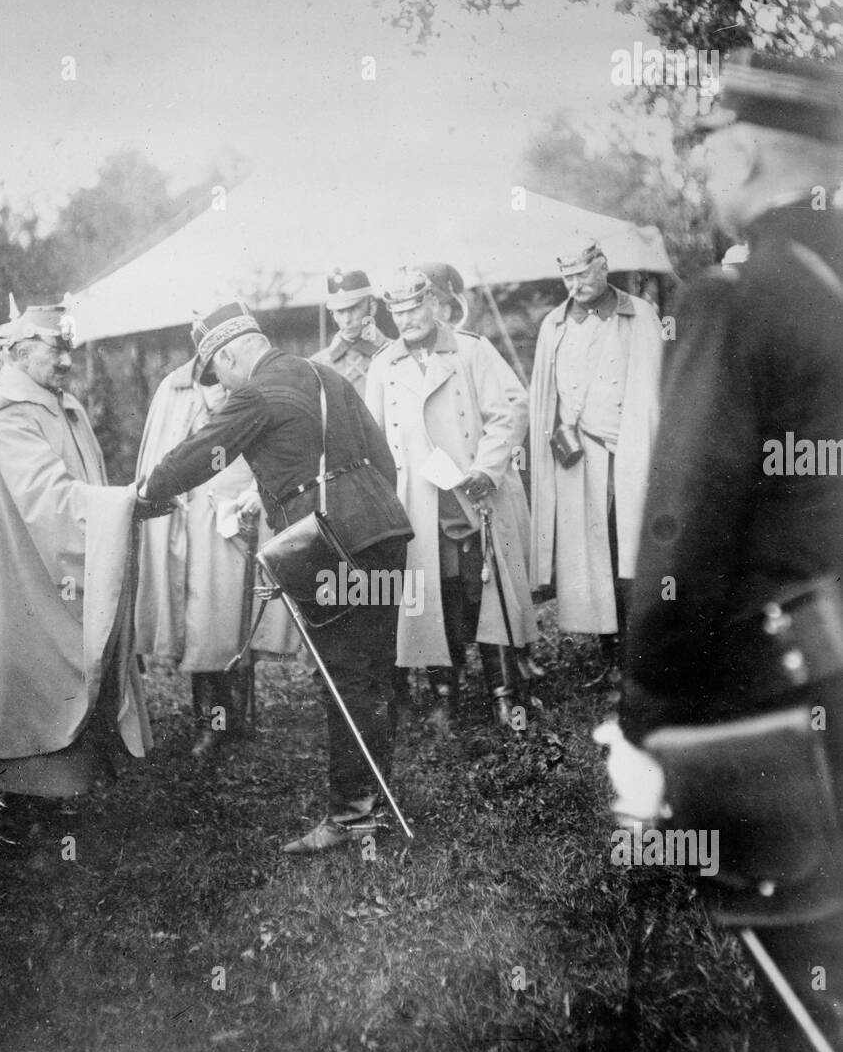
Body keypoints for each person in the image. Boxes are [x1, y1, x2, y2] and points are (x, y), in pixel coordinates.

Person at [610, 49, 843, 1052]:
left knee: (812, 993)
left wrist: (649, 713)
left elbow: (682, 528)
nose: (699, 181)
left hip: (787, 699)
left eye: (704, 157)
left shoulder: (739, 299)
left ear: (744, 150)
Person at [140, 301, 413, 854]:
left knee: (343, 675)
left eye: (217, 369)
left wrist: (150, 491)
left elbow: (200, 454)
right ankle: (369, 803)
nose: (218, 381)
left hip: (333, 542)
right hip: (383, 532)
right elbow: (382, 457)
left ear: (232, 351)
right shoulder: (324, 373)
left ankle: (354, 818)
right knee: (372, 673)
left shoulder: (256, 391)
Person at [0, 303, 164, 818]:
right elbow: (51, 501)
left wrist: (118, 506)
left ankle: (63, 789)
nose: (67, 361)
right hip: (22, 577)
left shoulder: (60, 406)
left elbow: (79, 492)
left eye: (70, 348)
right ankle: (21, 804)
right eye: (56, 349)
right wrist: (127, 504)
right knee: (29, 680)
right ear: (20, 353)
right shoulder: (6, 419)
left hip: (56, 570)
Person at [364, 267, 537, 730]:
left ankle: (505, 693)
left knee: (489, 591)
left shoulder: (471, 350)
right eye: (396, 312)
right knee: (435, 597)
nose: (406, 319)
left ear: (433, 304)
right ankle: (446, 695)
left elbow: (510, 411)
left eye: (414, 308)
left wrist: (486, 468)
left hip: (475, 495)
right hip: (419, 504)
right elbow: (374, 442)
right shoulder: (384, 366)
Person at [135, 333, 298, 756]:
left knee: (243, 616)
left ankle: (241, 717)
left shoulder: (252, 379)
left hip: (249, 511)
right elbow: (171, 450)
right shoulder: (177, 387)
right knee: (206, 622)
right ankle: (211, 721)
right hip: (202, 519)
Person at [528, 237, 662, 680]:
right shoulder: (556, 324)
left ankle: (641, 655)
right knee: (591, 555)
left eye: (582, 274)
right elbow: (545, 399)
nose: (575, 285)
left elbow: (653, 389)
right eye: (566, 277)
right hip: (578, 457)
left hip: (629, 452)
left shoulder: (638, 314)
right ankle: (610, 656)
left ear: (603, 266)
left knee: (629, 551)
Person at [310, 269, 389, 400]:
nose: (347, 320)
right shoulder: (317, 365)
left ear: (372, 307)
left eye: (354, 309)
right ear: (333, 314)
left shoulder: (395, 354)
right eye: (340, 312)